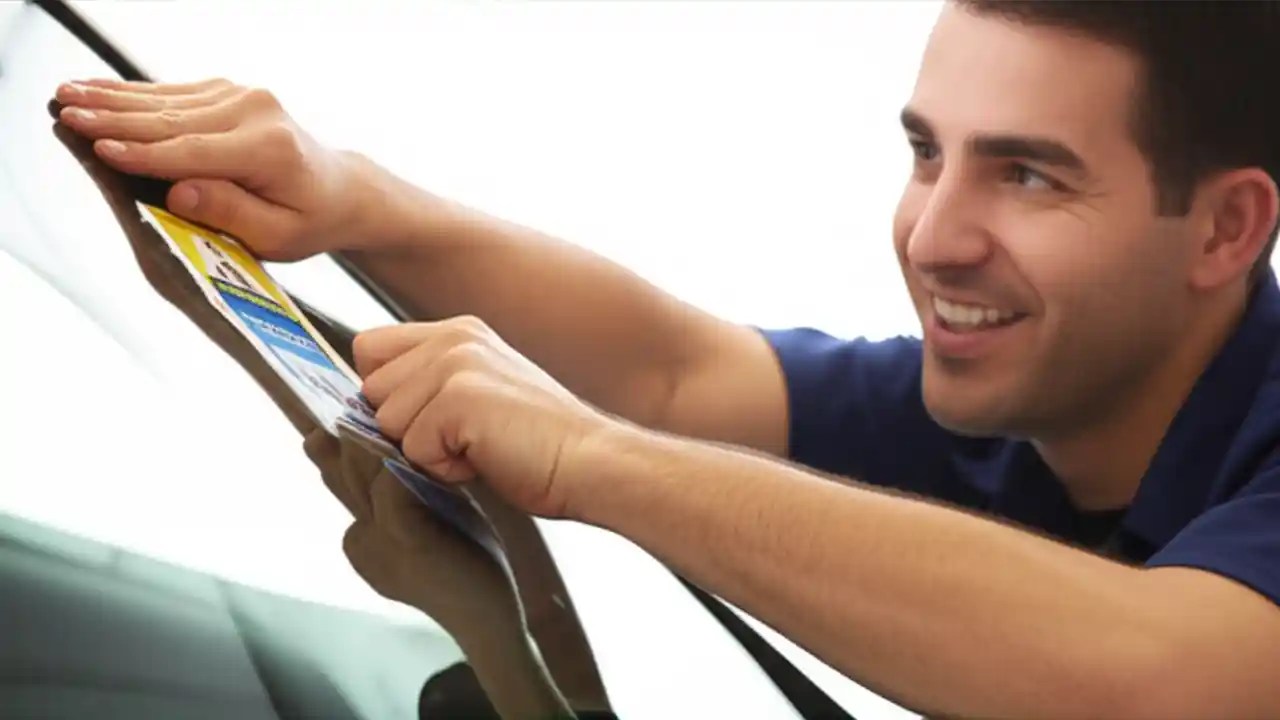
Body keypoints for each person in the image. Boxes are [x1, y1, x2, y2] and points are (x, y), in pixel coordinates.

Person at [57, 0, 1280, 716]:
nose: (932, 236)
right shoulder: (1011, 413)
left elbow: (1163, 673)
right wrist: (355, 202)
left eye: (1024, 174)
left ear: (1224, 228)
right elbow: (675, 376)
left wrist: (595, 462)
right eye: (925, 154)